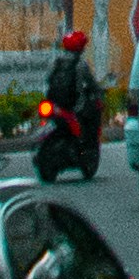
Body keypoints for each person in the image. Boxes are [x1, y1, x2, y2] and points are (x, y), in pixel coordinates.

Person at [37, 28, 102, 177]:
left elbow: (48, 80)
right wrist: (97, 92)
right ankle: (82, 150)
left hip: (54, 105)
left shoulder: (57, 62)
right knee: (87, 124)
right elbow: (91, 84)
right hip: (73, 107)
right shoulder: (81, 65)